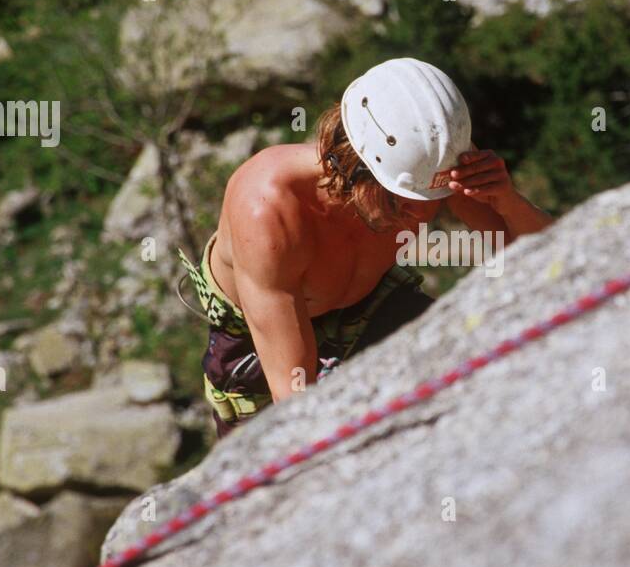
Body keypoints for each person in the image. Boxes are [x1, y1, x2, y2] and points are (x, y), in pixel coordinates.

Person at [178, 58, 553, 437]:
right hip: (261, 346)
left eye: (430, 198)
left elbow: (545, 257)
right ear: (354, 169)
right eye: (401, 201)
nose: (421, 213)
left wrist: (506, 200)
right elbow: (292, 394)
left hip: (371, 304)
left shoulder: (431, 159)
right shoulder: (267, 210)